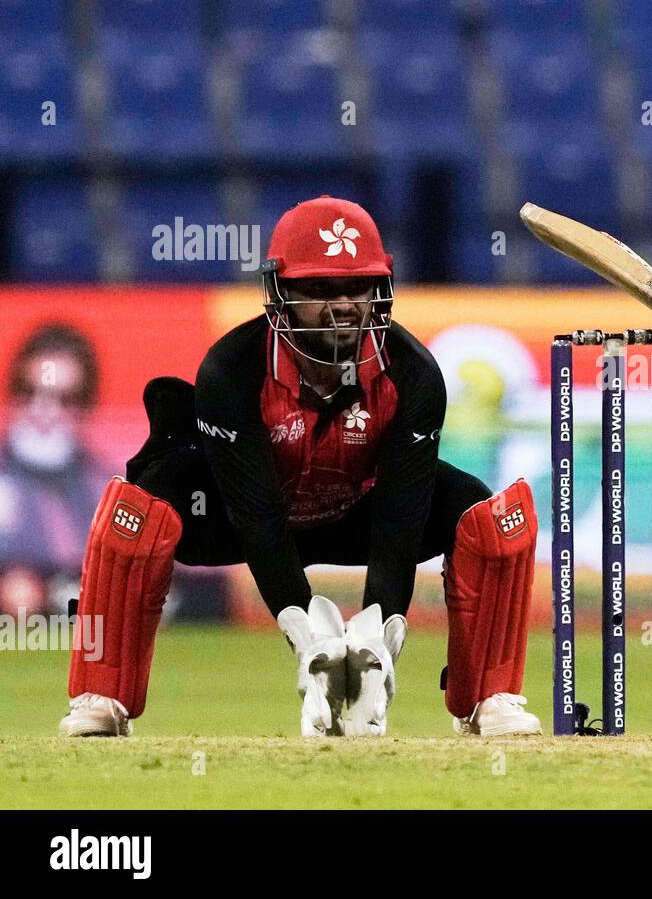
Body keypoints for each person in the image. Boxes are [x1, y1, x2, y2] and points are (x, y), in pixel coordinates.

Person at [59, 196, 541, 739]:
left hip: (357, 511)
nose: (342, 307)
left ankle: (488, 697)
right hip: (234, 517)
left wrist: (378, 641)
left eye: (356, 288)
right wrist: (308, 637)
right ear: (280, 296)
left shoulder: (414, 374)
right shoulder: (231, 370)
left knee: (492, 519)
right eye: (319, 290)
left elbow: (400, 521)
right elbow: (258, 518)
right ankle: (102, 697)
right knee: (137, 513)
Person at [0, 324, 109, 583]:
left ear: (87, 405)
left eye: (65, 399)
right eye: (30, 392)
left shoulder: (107, 491)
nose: (44, 411)